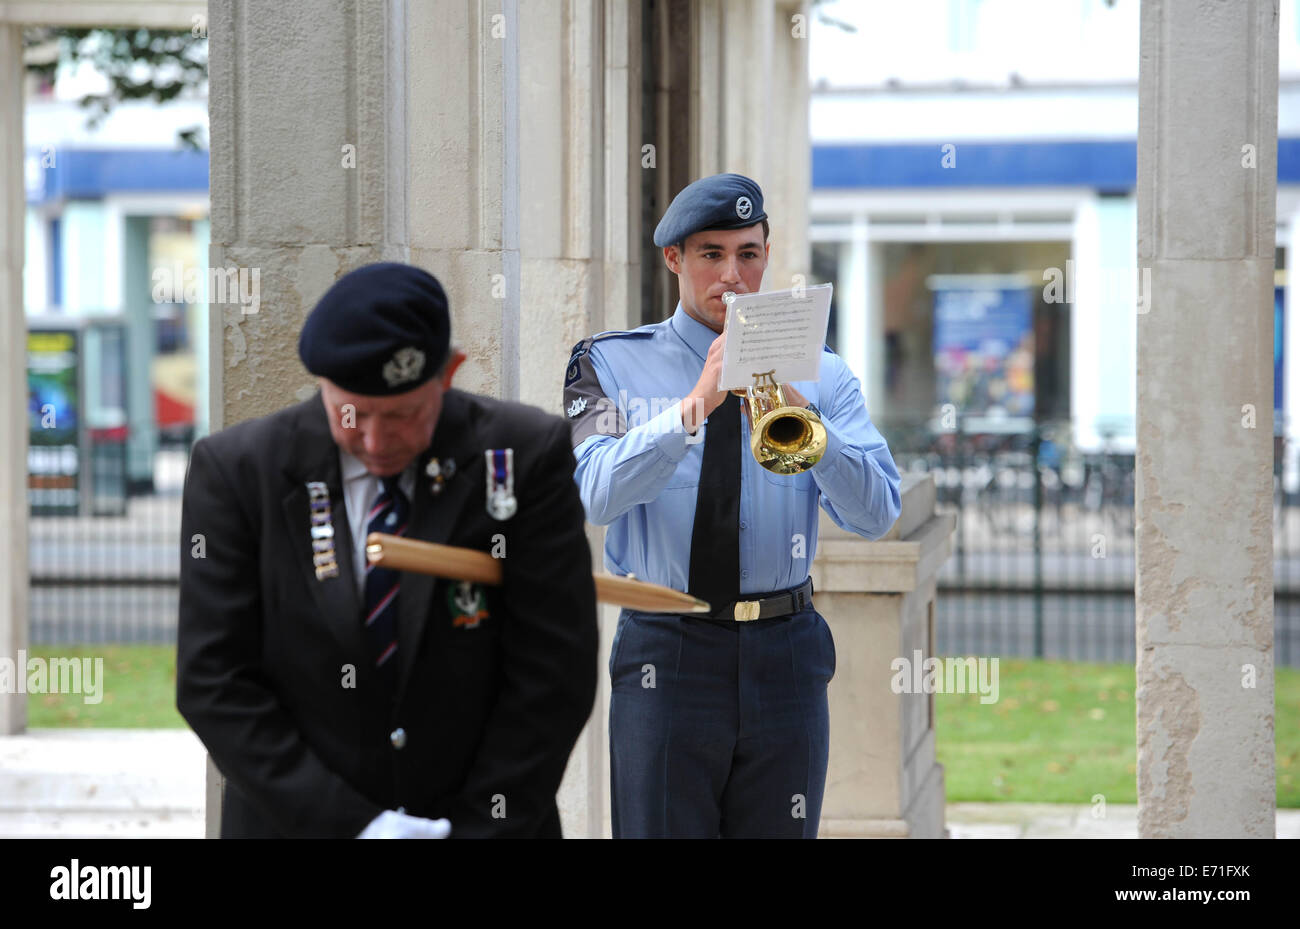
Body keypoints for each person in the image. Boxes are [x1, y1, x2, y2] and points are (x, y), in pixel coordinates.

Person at [178, 262, 598, 839]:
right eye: (353, 416)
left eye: (403, 416)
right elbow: (213, 681)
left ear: (448, 374)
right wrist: (358, 828)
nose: (376, 443)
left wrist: (472, 830)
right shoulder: (238, 473)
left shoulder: (523, 458)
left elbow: (554, 671)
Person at [562, 173, 901, 838]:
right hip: (667, 646)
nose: (732, 276)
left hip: (786, 649)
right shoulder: (606, 364)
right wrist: (697, 405)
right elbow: (595, 493)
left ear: (766, 255)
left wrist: (815, 433)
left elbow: (878, 512)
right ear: (674, 260)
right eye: (711, 254)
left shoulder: (822, 372)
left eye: (748, 253)